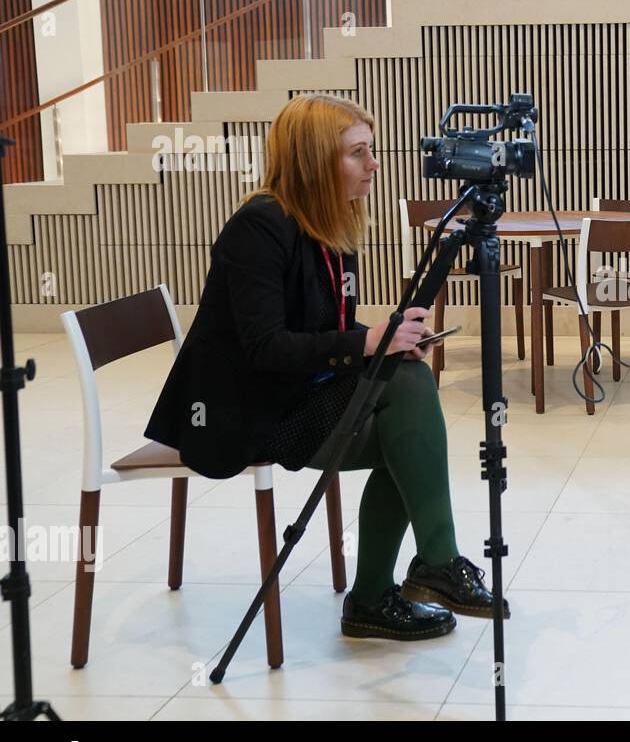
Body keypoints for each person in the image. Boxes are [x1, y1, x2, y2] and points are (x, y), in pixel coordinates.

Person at [146, 93, 506, 642]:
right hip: (242, 413)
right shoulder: (259, 228)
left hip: (297, 393)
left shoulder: (329, 224)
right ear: (316, 162)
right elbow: (267, 348)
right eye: (358, 153)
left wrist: (386, 340)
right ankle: (405, 580)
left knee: (404, 417)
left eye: (372, 150)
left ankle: (390, 591)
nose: (374, 163)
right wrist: (367, 345)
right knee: (404, 424)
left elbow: (322, 327)